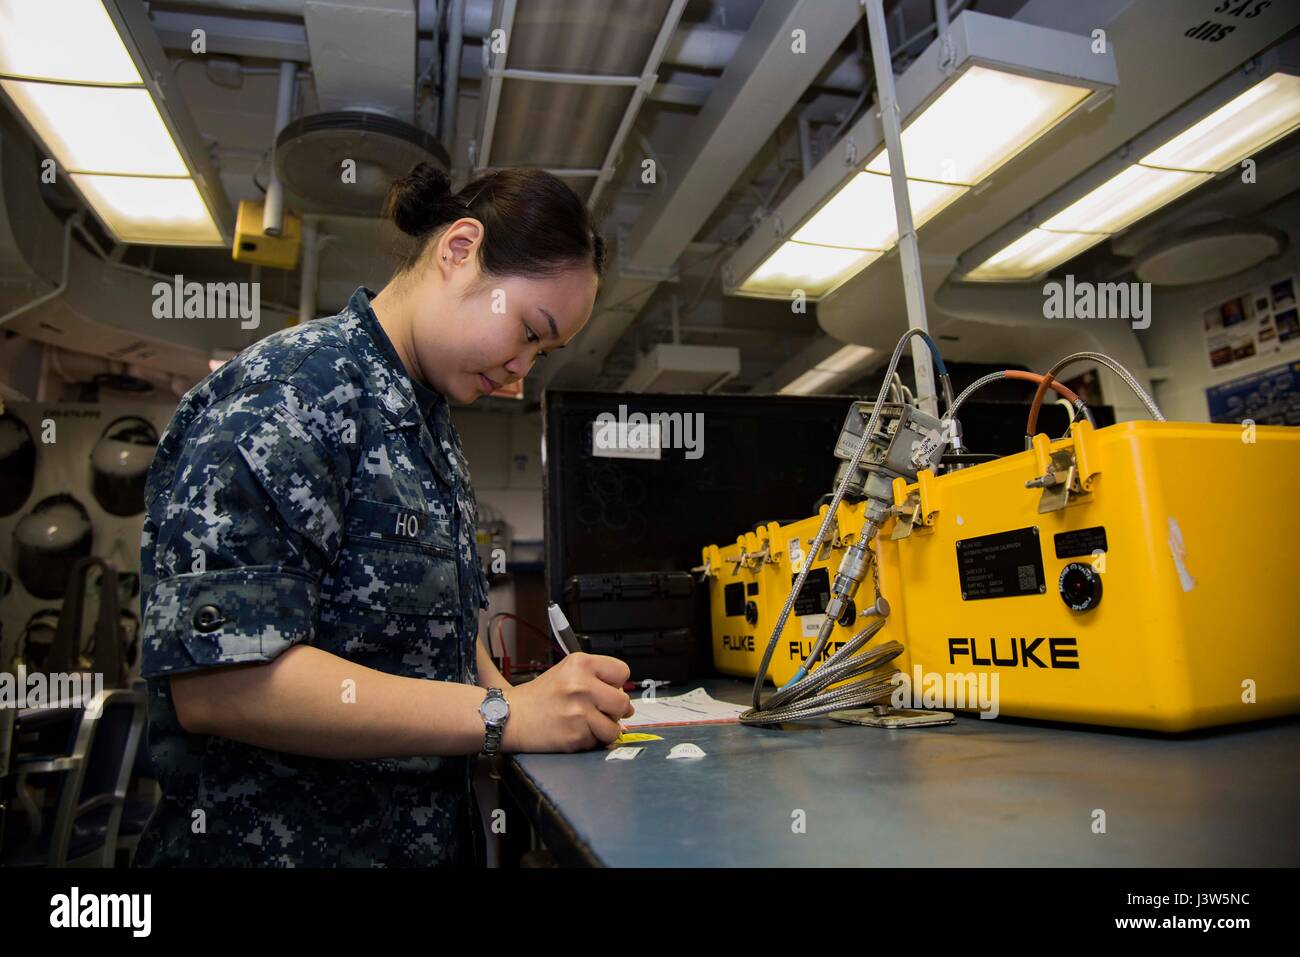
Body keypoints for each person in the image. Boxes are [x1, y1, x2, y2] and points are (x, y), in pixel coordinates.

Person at [134, 164, 633, 867]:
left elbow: (439, 628)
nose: (522, 373)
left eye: (541, 353)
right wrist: (504, 716)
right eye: (527, 331)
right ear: (459, 250)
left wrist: (524, 697)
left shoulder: (427, 423)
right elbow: (222, 685)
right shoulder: (292, 391)